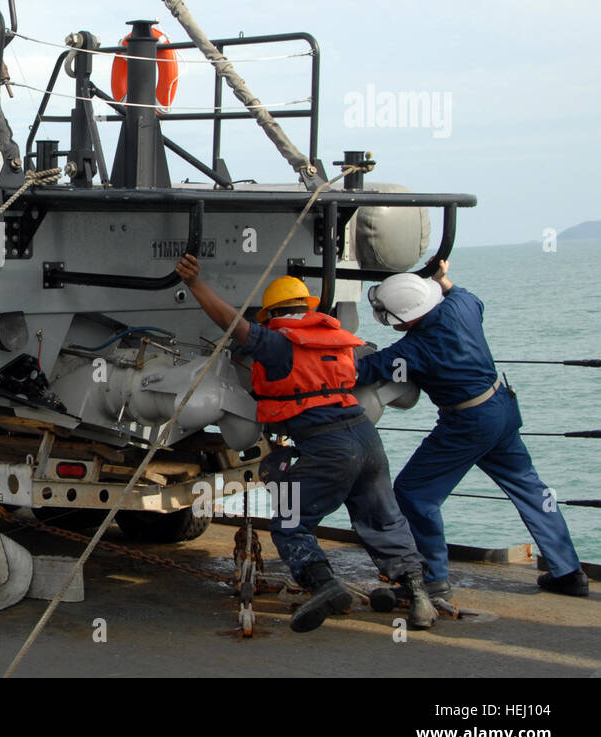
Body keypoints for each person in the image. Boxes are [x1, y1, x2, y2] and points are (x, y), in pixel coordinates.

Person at [175, 254, 437, 632]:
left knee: (290, 520)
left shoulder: (277, 345)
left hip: (329, 446)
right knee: (383, 520)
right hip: (367, 439)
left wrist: (196, 283)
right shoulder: (340, 342)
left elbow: (230, 323)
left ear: (274, 314)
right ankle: (419, 597)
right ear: (308, 307)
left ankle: (324, 585)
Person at [357, 259, 588, 598]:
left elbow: (367, 370)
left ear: (405, 316)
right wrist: (444, 280)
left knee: (414, 493)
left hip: (468, 422)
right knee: (530, 490)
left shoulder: (415, 348)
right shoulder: (461, 306)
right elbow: (467, 296)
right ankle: (568, 571)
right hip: (502, 407)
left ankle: (433, 578)